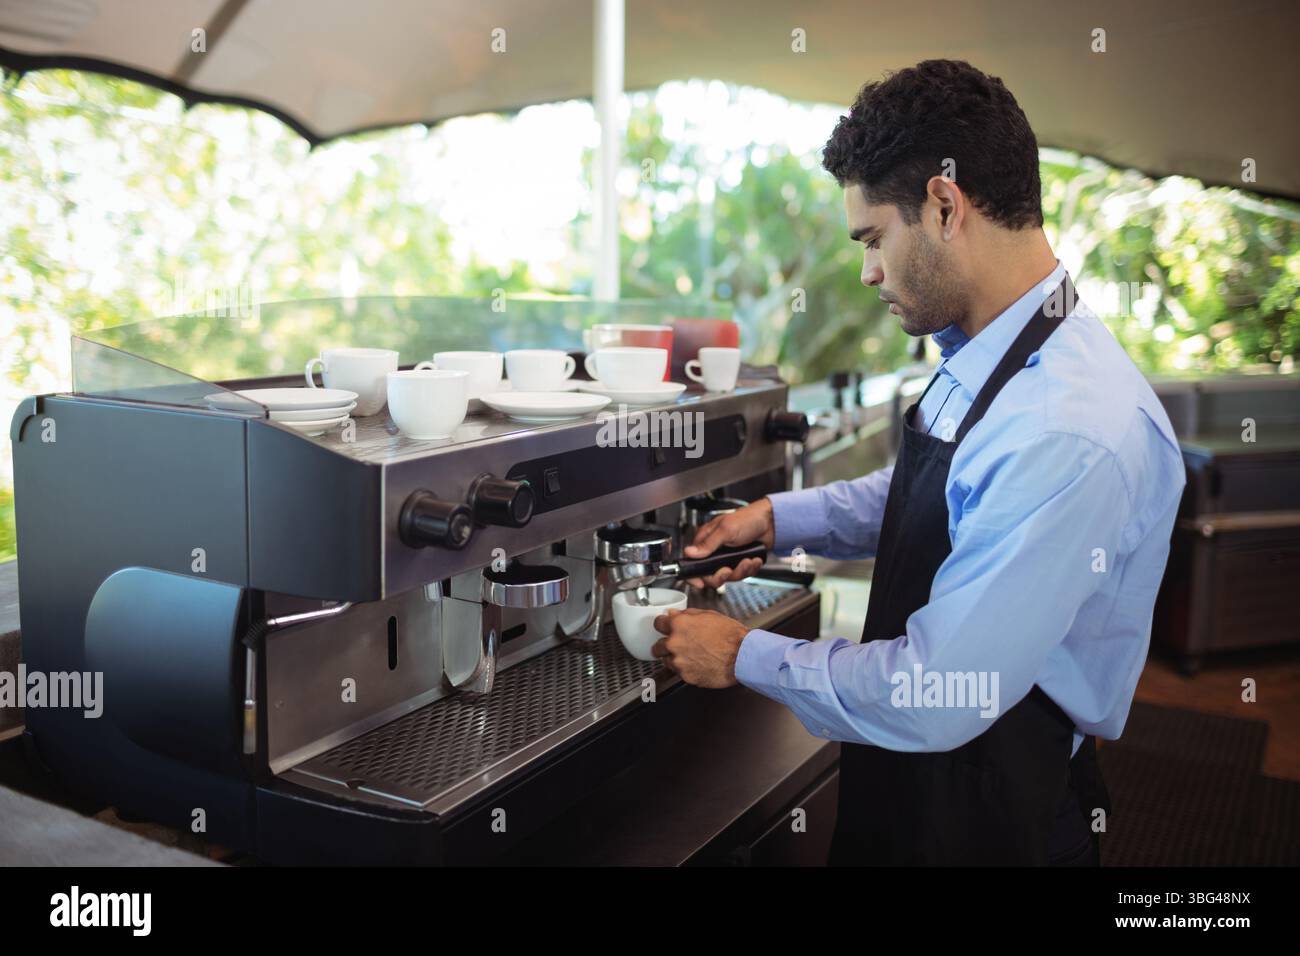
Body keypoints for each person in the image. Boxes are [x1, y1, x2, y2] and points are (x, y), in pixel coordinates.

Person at [650, 59, 1186, 866]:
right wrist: (777, 519)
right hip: (916, 782)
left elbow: (937, 692)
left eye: (872, 239)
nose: (867, 272)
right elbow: (938, 495)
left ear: (943, 205)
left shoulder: (1067, 426)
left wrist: (741, 654)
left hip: (994, 815)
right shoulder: (991, 349)